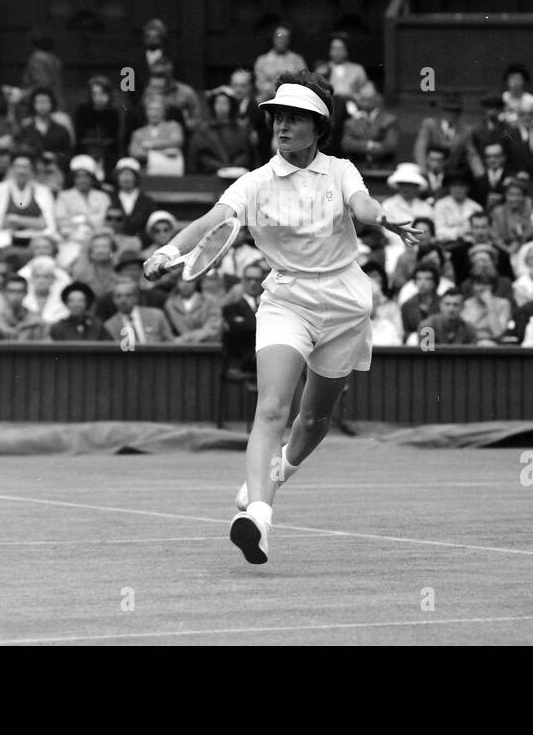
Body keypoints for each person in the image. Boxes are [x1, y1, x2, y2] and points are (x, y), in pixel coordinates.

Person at [143, 70, 419, 564]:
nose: (283, 127)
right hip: (286, 301)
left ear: (318, 128)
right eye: (277, 118)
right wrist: (167, 251)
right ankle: (260, 519)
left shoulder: (341, 170)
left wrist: (384, 218)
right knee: (272, 408)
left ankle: (276, 474)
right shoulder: (253, 184)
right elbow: (210, 223)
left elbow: (363, 204)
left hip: (345, 303)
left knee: (313, 419)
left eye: (295, 119)